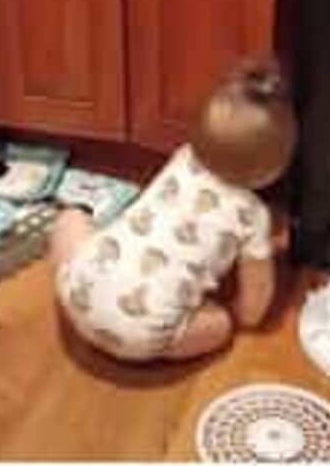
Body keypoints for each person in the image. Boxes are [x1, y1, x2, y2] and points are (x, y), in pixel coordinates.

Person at [49, 63, 297, 361]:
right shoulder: (254, 215)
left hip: (78, 293)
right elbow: (253, 305)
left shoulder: (183, 157)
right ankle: (139, 342)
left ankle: (92, 305)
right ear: (272, 171)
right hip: (140, 338)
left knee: (71, 219)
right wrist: (238, 316)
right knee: (220, 325)